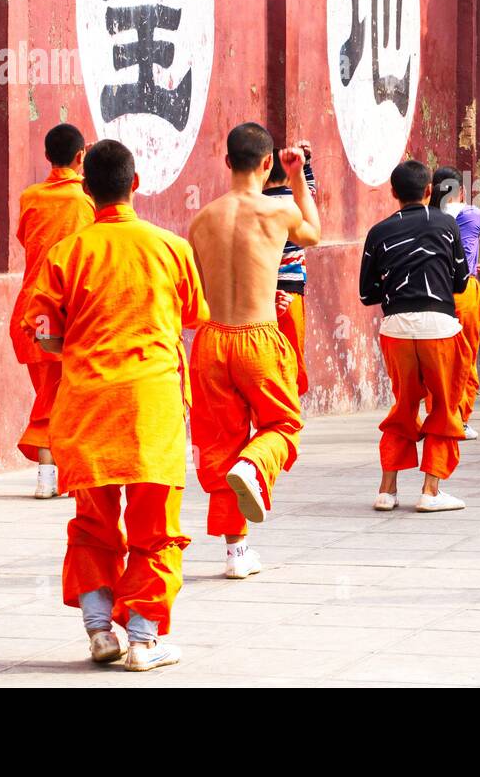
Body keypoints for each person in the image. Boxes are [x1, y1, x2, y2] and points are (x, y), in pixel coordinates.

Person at [23, 139, 207, 671]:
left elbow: (45, 336)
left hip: (85, 406)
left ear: (87, 189)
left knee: (91, 525)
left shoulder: (65, 253)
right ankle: (145, 642)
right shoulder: (171, 248)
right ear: (136, 183)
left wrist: (81, 344)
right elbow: (192, 315)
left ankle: (100, 633)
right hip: (152, 407)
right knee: (157, 528)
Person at [188, 124, 320, 579]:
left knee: (220, 444)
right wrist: (298, 176)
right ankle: (253, 463)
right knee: (283, 425)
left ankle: (237, 552)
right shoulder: (278, 212)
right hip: (258, 336)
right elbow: (314, 235)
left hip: (210, 342)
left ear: (227, 162)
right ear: (267, 164)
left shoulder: (201, 220)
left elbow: (196, 297)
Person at [360, 160, 470, 512]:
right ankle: (431, 491)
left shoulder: (378, 231)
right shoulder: (447, 224)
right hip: (439, 328)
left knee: (404, 406)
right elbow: (461, 282)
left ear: (393, 193)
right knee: (443, 406)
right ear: (429, 191)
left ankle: (386, 490)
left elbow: (367, 294)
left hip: (395, 329)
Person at [9, 123, 94, 497]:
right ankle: (55, 472)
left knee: (49, 393)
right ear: (81, 157)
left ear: (47, 156)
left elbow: (25, 238)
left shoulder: (31, 197)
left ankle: (50, 472)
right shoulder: (87, 201)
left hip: (31, 308)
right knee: (64, 397)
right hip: (70, 310)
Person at [431, 166, 480, 439]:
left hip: (433, 289)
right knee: (465, 357)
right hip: (463, 291)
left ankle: (440, 416)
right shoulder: (472, 214)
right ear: (461, 192)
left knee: (437, 357)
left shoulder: (427, 217)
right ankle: (459, 417)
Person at [262, 139, 317, 397]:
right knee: (293, 354)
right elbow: (310, 193)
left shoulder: (257, 203)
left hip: (263, 292)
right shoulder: (295, 203)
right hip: (291, 290)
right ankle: (290, 406)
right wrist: (305, 167)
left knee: (268, 355)